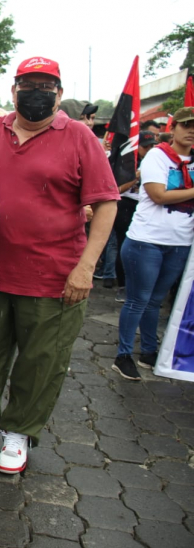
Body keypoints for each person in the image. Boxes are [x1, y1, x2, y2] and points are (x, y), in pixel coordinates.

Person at [0, 57, 119, 474]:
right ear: (14, 87)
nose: (36, 92)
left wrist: (86, 266)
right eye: (28, 84)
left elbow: (106, 203)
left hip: (55, 277)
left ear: (58, 92)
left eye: (45, 85)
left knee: (40, 362)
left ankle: (19, 429)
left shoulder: (78, 136)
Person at [114, 106, 194, 380]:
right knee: (138, 300)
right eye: (186, 125)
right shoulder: (157, 157)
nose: (192, 131)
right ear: (173, 129)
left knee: (156, 301)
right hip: (146, 241)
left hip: (181, 242)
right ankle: (123, 355)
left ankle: (149, 350)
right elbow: (158, 195)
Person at [113, 130, 158, 302]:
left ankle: (141, 287)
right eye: (145, 147)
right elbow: (114, 189)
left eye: (151, 146)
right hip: (125, 205)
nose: (148, 150)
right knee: (124, 245)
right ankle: (123, 286)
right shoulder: (125, 161)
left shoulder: (155, 161)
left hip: (146, 207)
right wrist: (135, 177)